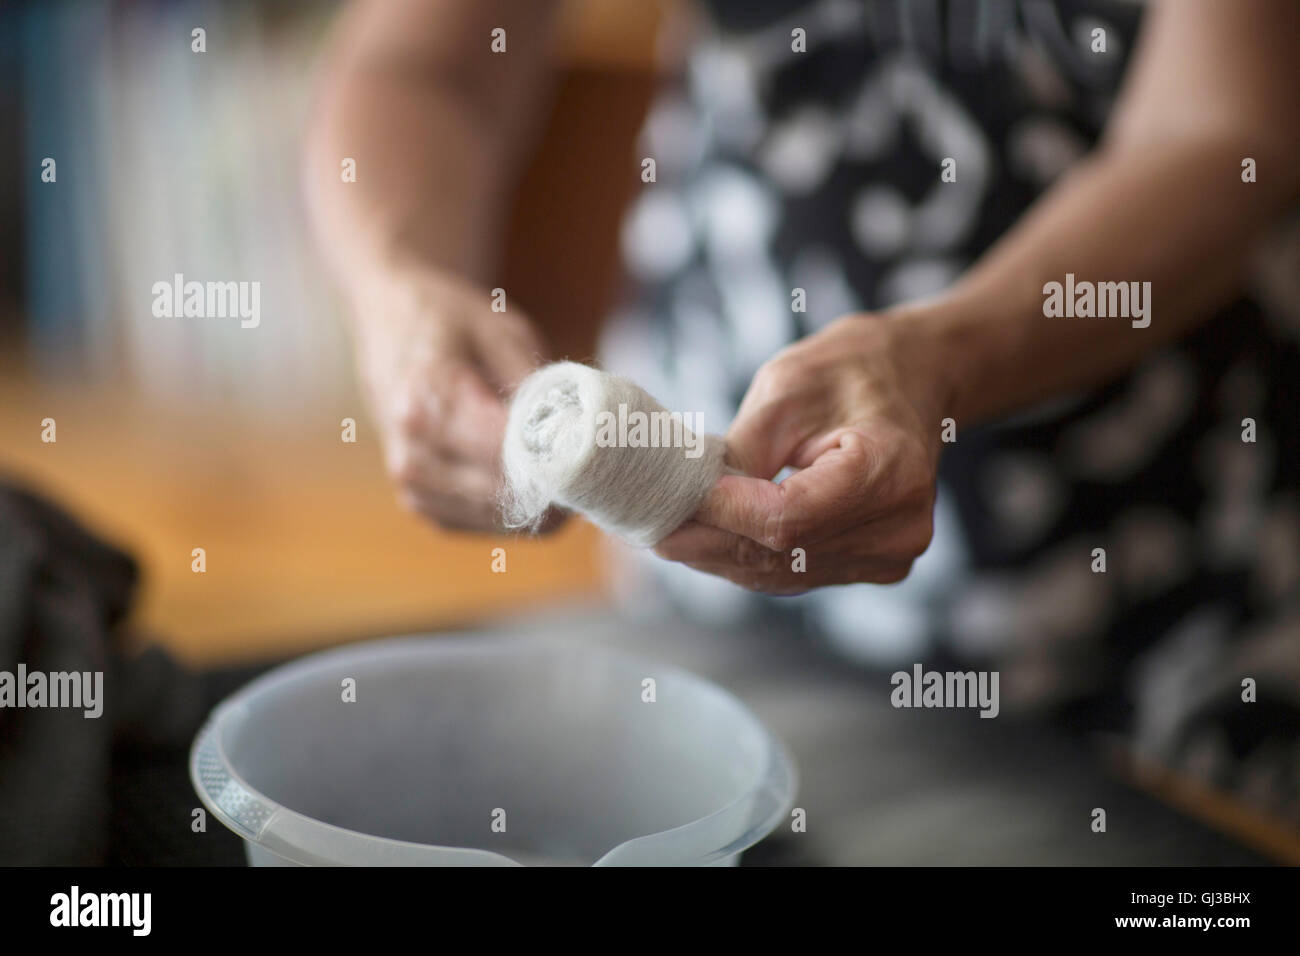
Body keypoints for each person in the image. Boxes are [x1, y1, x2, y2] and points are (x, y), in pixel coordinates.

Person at [305, 0, 1300, 822]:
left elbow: (1223, 132)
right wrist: (398, 290)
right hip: (711, 592)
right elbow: (419, 63)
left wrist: (938, 357)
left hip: (1151, 591)